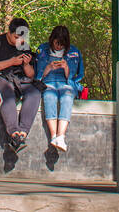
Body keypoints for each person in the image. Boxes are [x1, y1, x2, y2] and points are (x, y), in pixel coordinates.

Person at [0, 18, 40, 153]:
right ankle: (13, 133)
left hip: (18, 80)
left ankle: (22, 134)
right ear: (9, 33)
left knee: (35, 93)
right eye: (16, 37)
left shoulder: (24, 45)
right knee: (7, 93)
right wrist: (12, 62)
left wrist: (25, 64)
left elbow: (30, 75)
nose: (20, 40)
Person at [34, 25, 84, 153]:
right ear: (52, 40)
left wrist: (66, 68)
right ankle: (53, 136)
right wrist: (48, 68)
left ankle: (61, 136)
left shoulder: (74, 52)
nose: (59, 47)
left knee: (67, 96)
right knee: (49, 96)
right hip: (48, 82)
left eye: (62, 44)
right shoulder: (42, 50)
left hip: (66, 83)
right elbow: (36, 75)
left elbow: (76, 77)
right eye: (57, 43)